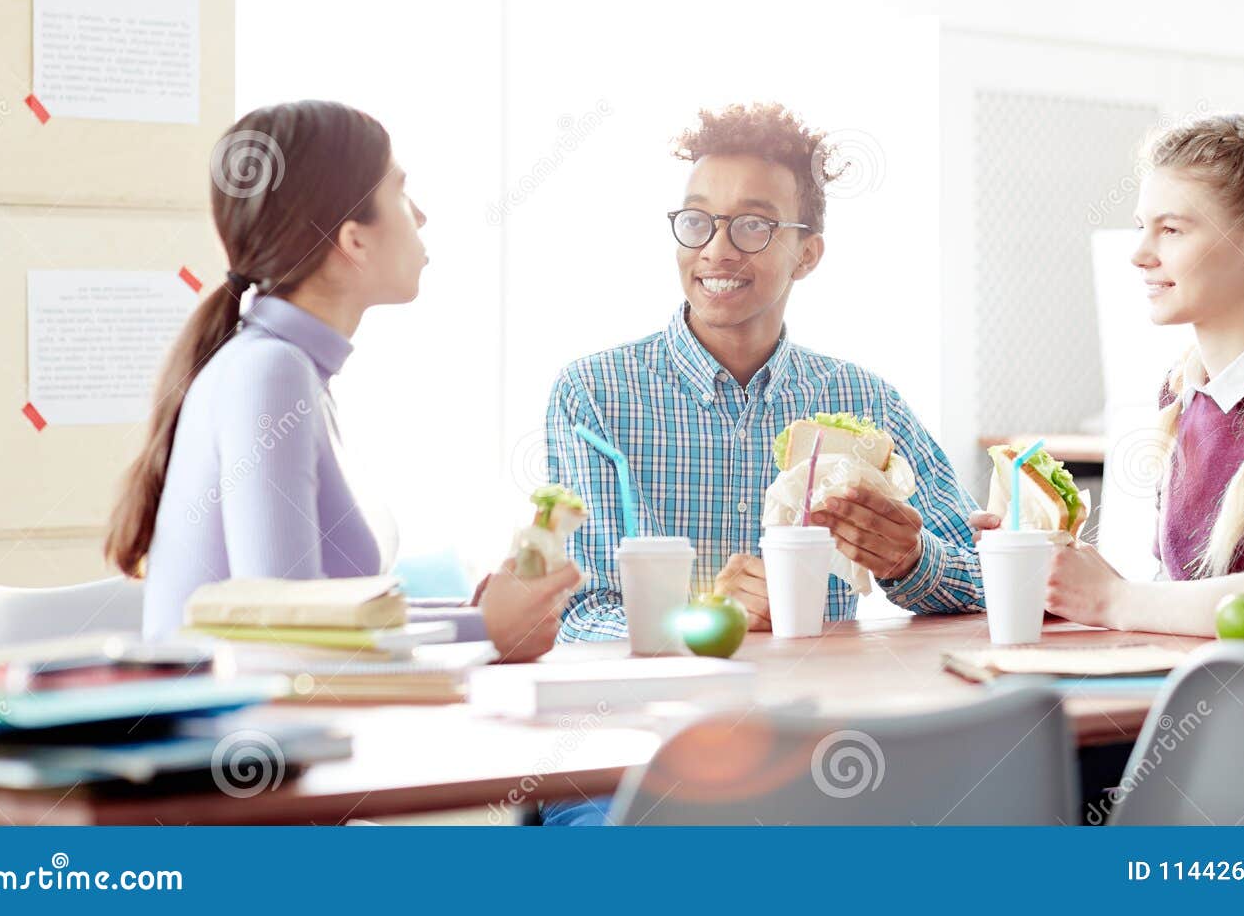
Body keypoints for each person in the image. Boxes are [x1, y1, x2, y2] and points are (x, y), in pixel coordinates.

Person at [111, 100, 577, 658]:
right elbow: (283, 636)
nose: (421, 215)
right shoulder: (271, 372)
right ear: (355, 240)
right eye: (401, 193)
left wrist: (473, 617)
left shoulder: (286, 367)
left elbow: (315, 612)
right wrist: (484, 632)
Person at [546, 102, 984, 640]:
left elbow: (990, 574)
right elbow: (578, 615)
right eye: (697, 221)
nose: (716, 249)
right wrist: (700, 622)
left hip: (822, 712)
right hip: (666, 714)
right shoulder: (593, 395)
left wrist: (911, 561)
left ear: (807, 254)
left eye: (753, 225)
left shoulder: (864, 402)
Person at [971, 114, 1244, 636]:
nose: (1140, 254)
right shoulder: (1180, 394)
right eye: (1141, 227)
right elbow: (1172, 598)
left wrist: (1113, 601)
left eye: (1171, 229)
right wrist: (1066, 583)